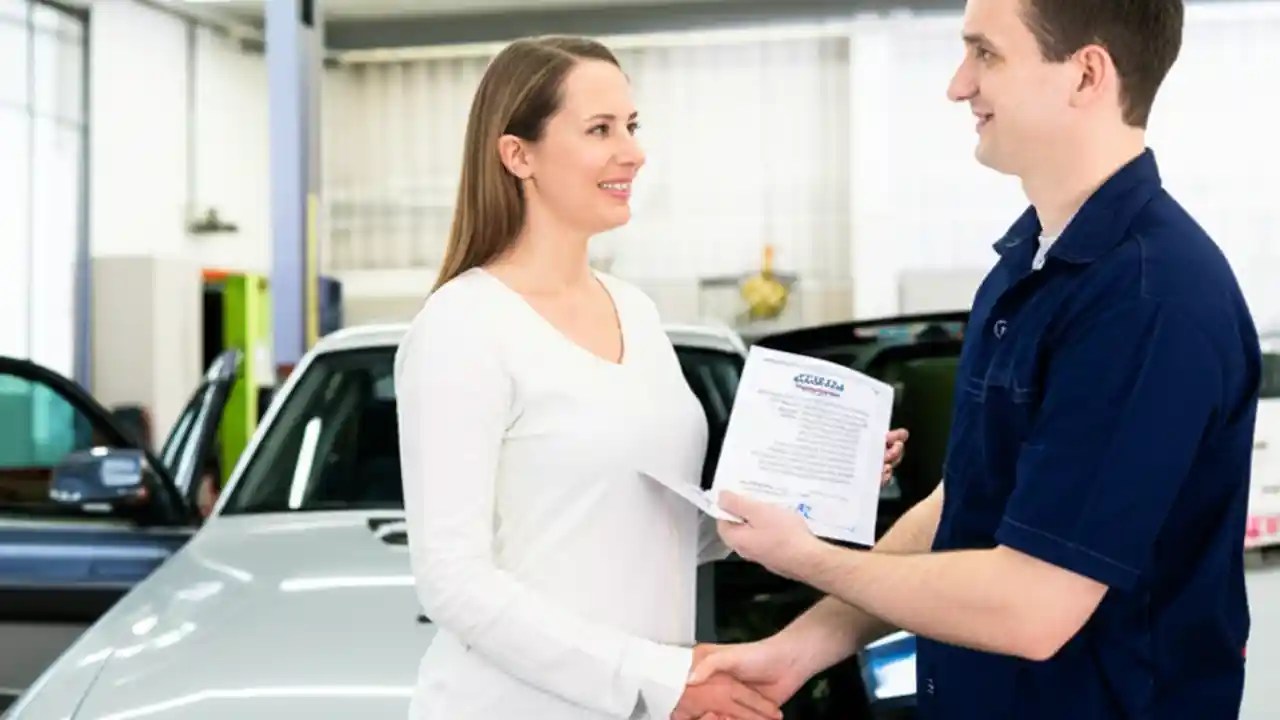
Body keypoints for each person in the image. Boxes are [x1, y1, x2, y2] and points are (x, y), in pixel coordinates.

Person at [688, 1, 1262, 718]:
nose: (958, 85)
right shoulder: (1027, 266)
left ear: (1086, 74)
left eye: (985, 54)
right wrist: (797, 651)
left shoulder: (1149, 302)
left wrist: (802, 554)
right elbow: (962, 502)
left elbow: (1032, 609)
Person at [394, 35, 910, 720]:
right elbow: (453, 582)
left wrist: (812, 487)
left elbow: (650, 524)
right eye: (600, 129)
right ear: (518, 155)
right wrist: (662, 677)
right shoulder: (462, 326)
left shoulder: (633, 310)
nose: (632, 151)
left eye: (632, 126)